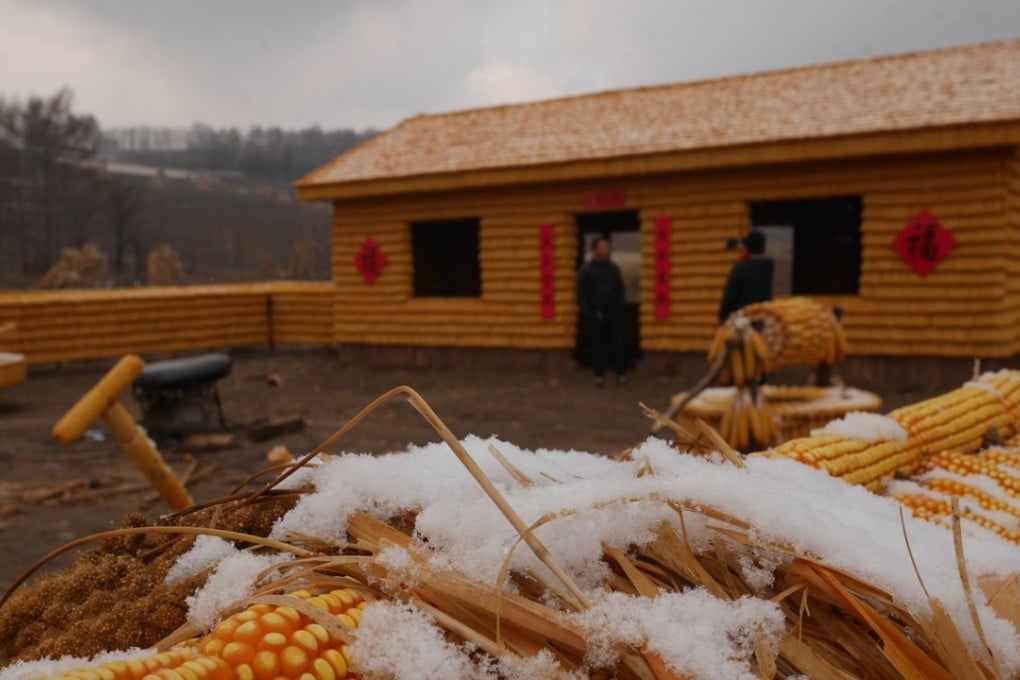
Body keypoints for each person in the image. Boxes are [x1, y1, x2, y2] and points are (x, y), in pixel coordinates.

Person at [577, 235, 627, 387]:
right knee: (598, 345)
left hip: (614, 313)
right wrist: (589, 313)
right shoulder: (586, 270)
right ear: (594, 250)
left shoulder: (613, 269)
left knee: (618, 343)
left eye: (607, 247)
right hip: (596, 314)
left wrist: (620, 306)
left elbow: (620, 290)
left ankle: (621, 374)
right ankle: (599, 375)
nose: (605, 251)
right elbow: (582, 294)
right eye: (602, 247)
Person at [718, 229, 774, 324]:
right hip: (761, 316)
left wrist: (722, 315)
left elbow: (730, 295)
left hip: (742, 319)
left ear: (748, 247)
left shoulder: (741, 268)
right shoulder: (768, 265)